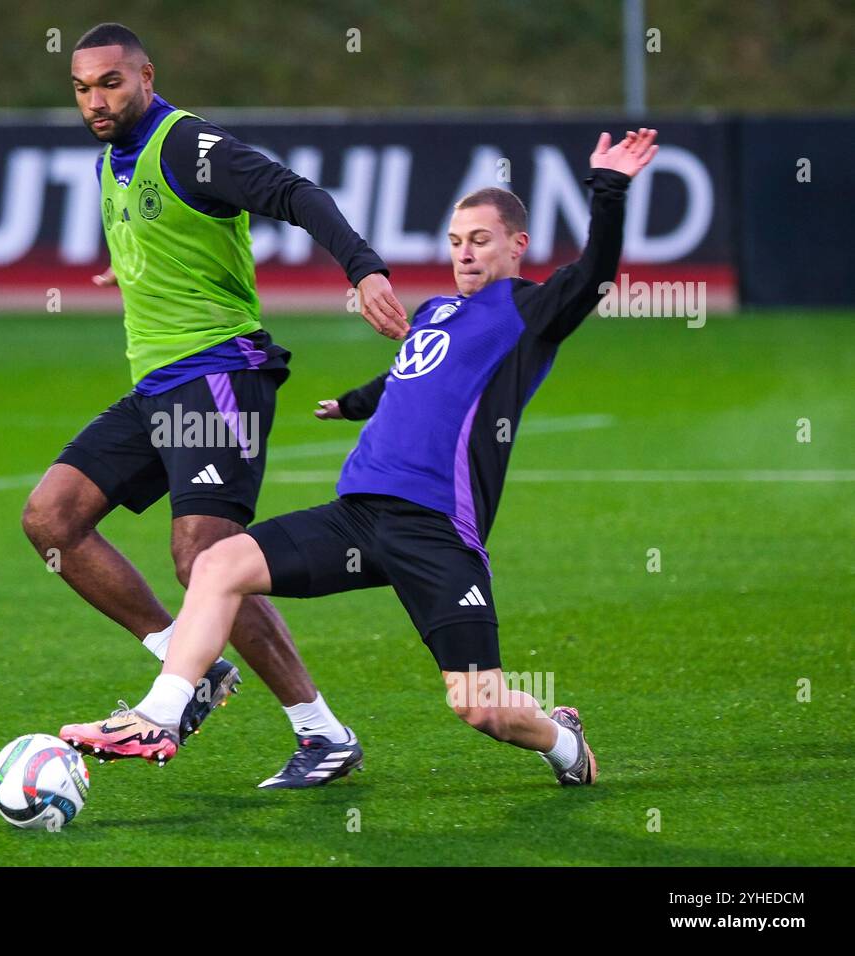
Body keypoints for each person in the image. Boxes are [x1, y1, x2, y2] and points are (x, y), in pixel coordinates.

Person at [60, 128, 660, 788]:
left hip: (437, 534)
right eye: (457, 241)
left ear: (518, 245)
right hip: (358, 519)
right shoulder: (434, 313)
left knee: (478, 707)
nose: (464, 253)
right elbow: (411, 377)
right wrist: (353, 403)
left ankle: (562, 741)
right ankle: (160, 714)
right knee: (216, 563)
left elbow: (597, 272)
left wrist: (610, 189)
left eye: (480, 240)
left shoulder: (529, 311)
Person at [23, 22, 409, 787]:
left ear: (145, 76)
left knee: (207, 558)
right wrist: (129, 267)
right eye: (81, 88)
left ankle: (320, 734)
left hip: (219, 375)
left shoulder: (187, 146)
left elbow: (296, 193)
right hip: (158, 386)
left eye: (110, 83)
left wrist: (364, 270)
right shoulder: (112, 160)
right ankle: (184, 662)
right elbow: (169, 238)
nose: (95, 100)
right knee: (52, 520)